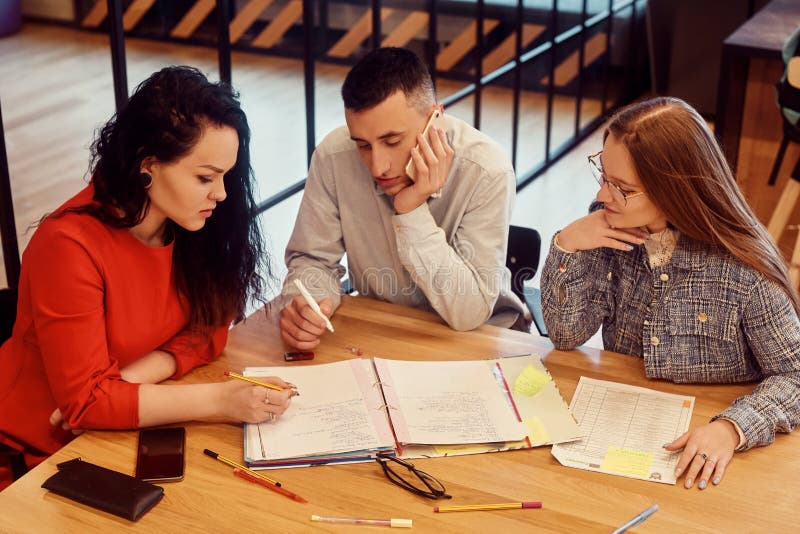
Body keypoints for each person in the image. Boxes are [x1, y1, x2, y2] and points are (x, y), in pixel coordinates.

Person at [0, 66, 292, 486]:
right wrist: (219, 400)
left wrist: (126, 381)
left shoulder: (186, 221)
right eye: (205, 177)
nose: (222, 193)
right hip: (39, 456)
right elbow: (85, 408)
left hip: (115, 428)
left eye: (225, 176)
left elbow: (213, 324)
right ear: (148, 166)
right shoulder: (68, 246)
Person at [540, 96, 800, 491]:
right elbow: (566, 334)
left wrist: (733, 427)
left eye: (622, 188)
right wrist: (567, 245)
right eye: (603, 176)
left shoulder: (744, 270)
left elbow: (795, 375)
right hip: (624, 432)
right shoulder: (609, 226)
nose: (604, 196)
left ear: (673, 190)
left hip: (715, 456)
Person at [279, 47, 527, 350]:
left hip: (479, 338)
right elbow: (312, 260)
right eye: (363, 145)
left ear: (435, 119)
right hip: (384, 331)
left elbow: (469, 314)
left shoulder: (486, 171)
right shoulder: (334, 156)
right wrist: (308, 307)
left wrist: (411, 211)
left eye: (393, 141)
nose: (377, 167)